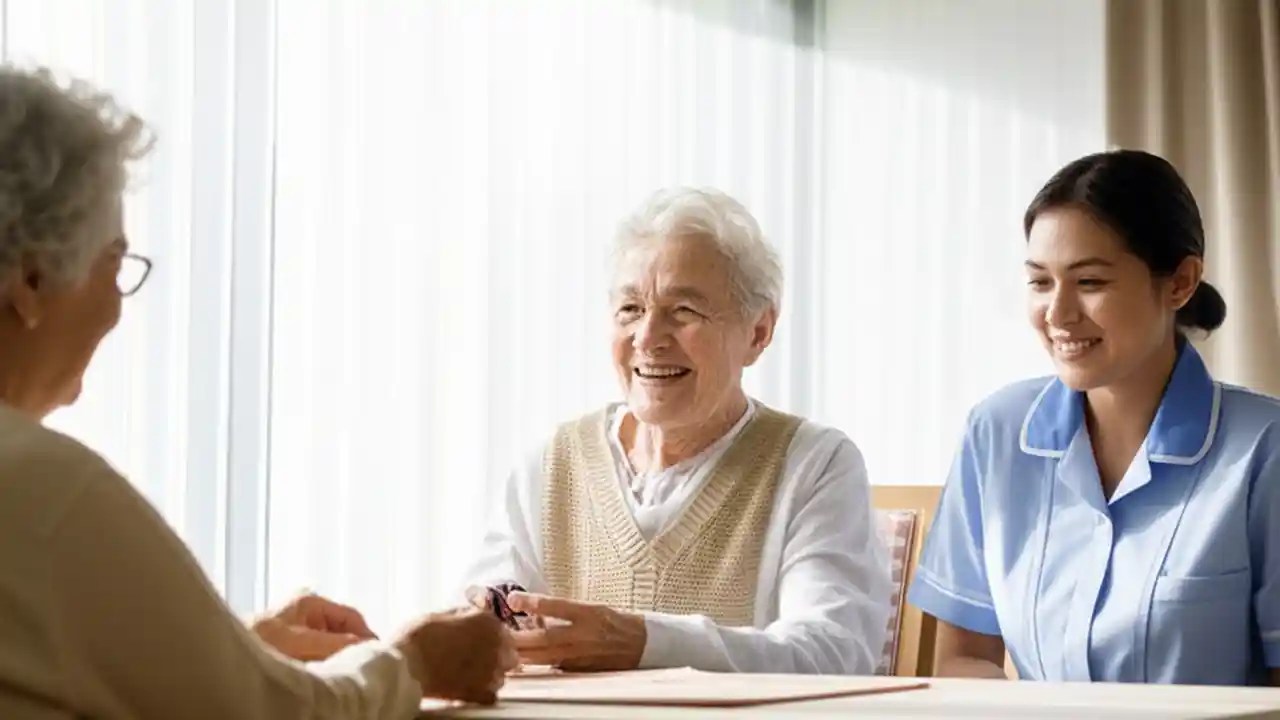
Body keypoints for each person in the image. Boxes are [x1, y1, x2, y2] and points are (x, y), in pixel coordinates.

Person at [0, 67, 515, 719]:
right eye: (113, 263)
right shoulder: (44, 489)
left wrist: (229, 650)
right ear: (31, 278)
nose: (115, 306)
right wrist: (416, 662)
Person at [464, 187, 891, 675]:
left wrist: (643, 642)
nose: (647, 338)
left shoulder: (814, 464)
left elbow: (834, 654)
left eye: (684, 311)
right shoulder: (550, 463)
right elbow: (478, 630)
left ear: (759, 332)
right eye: (631, 309)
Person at [907, 149, 1280, 685]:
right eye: (1040, 282)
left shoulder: (1263, 450)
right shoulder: (996, 433)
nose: (1057, 315)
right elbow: (965, 658)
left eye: (1090, 283)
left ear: (1180, 283)